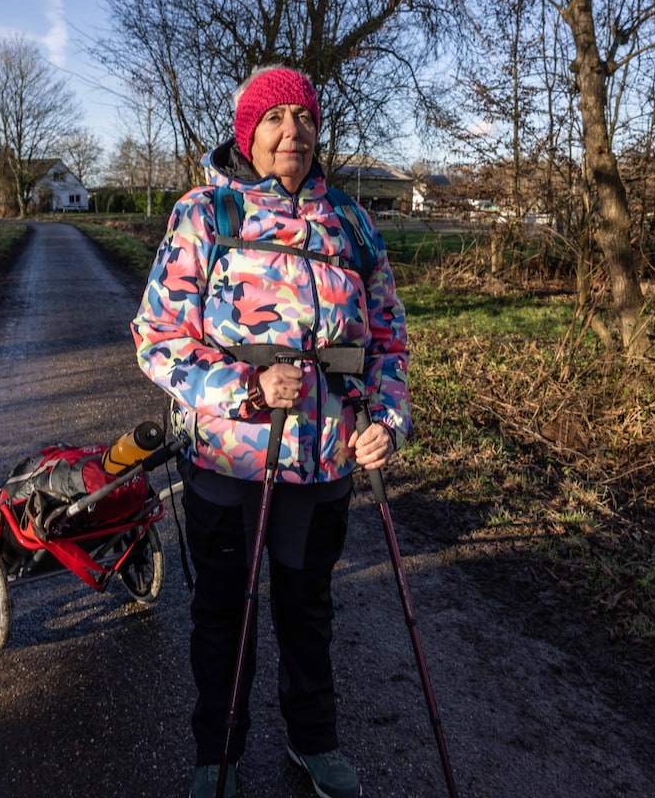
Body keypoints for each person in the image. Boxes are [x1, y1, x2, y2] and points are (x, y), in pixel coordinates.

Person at [131, 65, 411, 798]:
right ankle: (216, 755)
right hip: (228, 458)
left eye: (305, 118)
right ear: (246, 132)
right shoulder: (207, 214)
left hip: (324, 463)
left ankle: (314, 744)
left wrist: (385, 420)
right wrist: (243, 387)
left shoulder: (350, 223)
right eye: (276, 118)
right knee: (225, 611)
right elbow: (156, 337)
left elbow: (387, 340)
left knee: (308, 608)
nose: (294, 132)